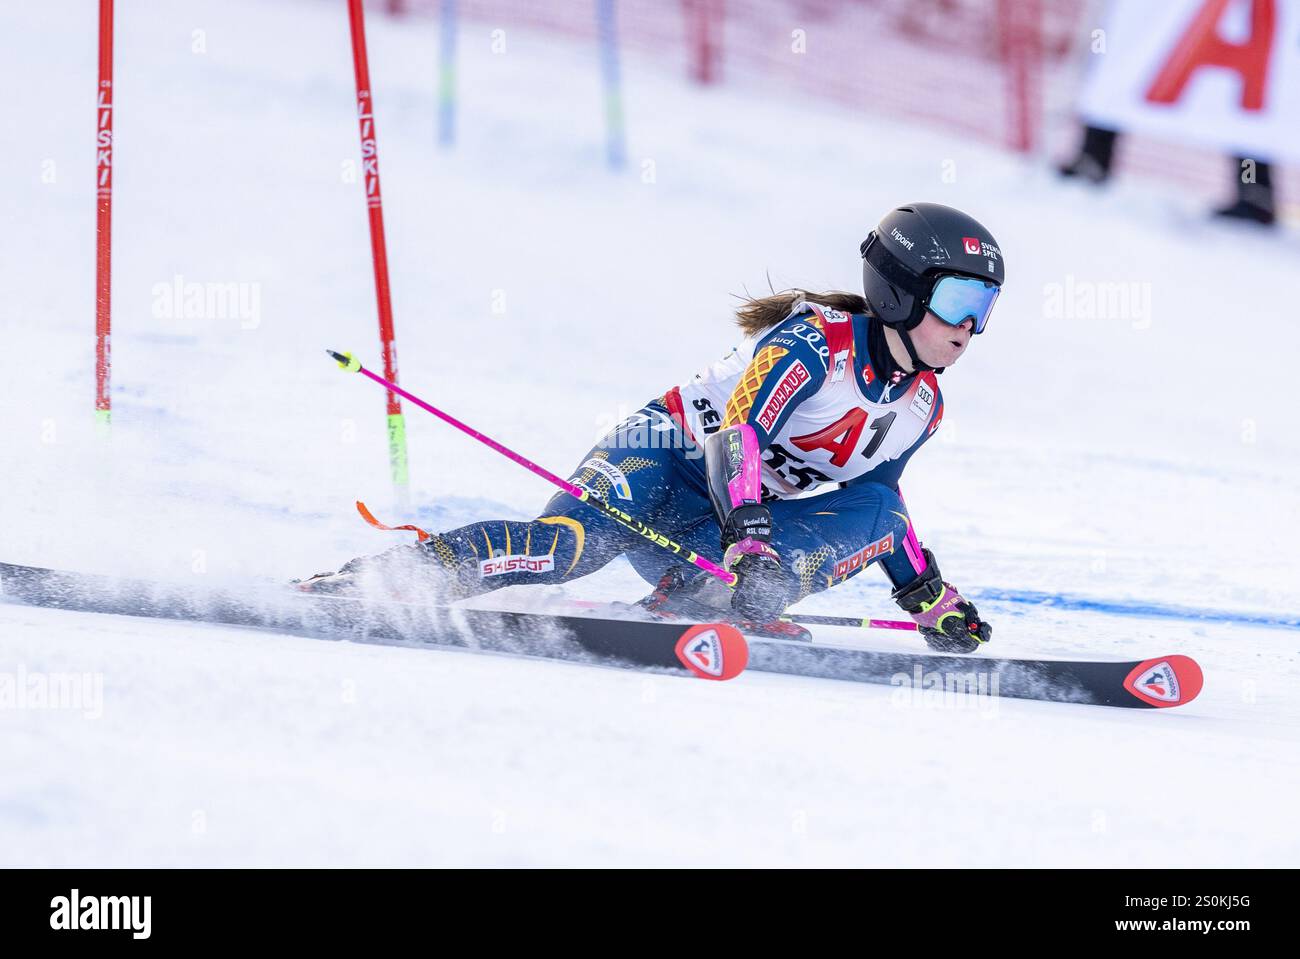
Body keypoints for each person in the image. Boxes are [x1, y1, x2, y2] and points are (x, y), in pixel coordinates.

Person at [305, 202, 1002, 653]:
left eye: (985, 306)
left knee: (869, 509)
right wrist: (752, 540)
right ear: (902, 287)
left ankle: (696, 594)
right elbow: (739, 437)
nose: (970, 326)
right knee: (566, 550)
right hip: (663, 458)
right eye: (959, 299)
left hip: (717, 531)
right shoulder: (814, 345)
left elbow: (876, 507)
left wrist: (926, 595)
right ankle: (390, 578)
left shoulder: (921, 408)